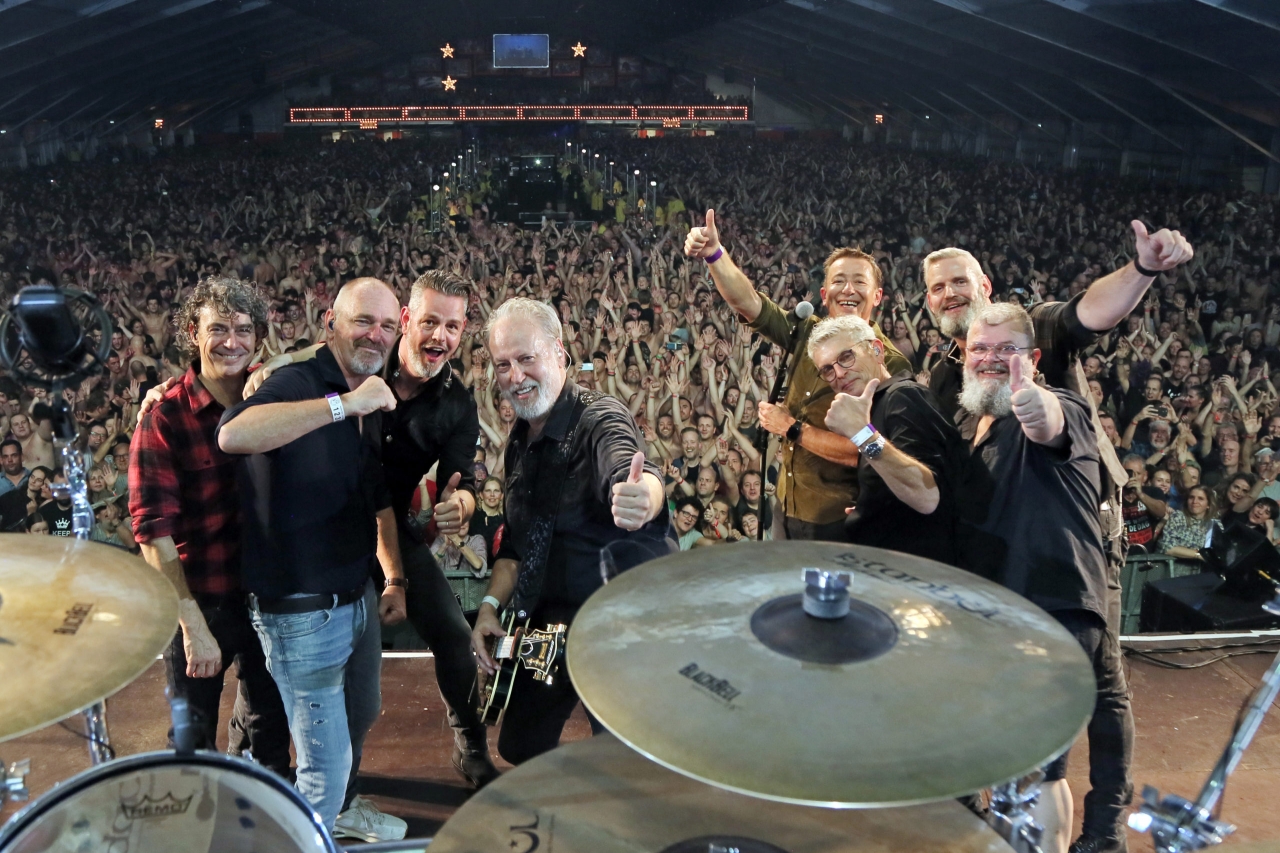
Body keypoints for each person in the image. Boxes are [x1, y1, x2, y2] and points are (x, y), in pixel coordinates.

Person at [246, 270, 499, 791]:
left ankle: (470, 742)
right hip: (316, 523)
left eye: (453, 326)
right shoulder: (362, 352)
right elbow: (297, 365)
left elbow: (464, 481)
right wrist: (259, 369)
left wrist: (461, 505)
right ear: (405, 320)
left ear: (464, 329)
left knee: (452, 634)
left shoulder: (456, 402)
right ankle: (248, 747)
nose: (440, 337)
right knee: (283, 641)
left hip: (386, 526)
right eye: (430, 321)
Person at [215, 277, 409, 839]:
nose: (376, 335)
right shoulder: (295, 379)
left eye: (387, 327)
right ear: (331, 321)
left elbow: (375, 499)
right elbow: (235, 434)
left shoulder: (370, 390)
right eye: (363, 321)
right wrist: (342, 404)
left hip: (355, 600)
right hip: (301, 612)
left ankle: (331, 818)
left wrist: (391, 577)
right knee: (323, 770)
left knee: (360, 713)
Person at [954, 303, 1131, 853]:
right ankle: (1102, 840)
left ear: (1032, 358)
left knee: (1037, 770)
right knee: (1029, 760)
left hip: (1052, 609)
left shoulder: (1066, 407)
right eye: (980, 348)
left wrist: (1033, 402)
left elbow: (1047, 422)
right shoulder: (975, 425)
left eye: (1006, 350)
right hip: (1012, 608)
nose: (990, 359)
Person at [470, 298, 674, 766]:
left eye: (527, 359)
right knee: (519, 746)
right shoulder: (520, 440)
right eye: (503, 365)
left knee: (635, 760)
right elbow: (518, 545)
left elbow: (631, 468)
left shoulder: (600, 419)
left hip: (617, 619)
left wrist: (644, 495)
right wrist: (489, 607)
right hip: (553, 622)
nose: (515, 376)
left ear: (560, 354)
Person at [128, 277, 293, 783]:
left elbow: (327, 354)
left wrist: (281, 365)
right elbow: (152, 532)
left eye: (243, 330)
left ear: (259, 339)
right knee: (190, 746)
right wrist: (192, 625)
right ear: (192, 335)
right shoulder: (164, 415)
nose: (231, 341)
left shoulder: (273, 399)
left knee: (271, 740)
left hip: (267, 598)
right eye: (217, 328)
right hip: (201, 600)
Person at [684, 209, 911, 540]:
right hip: (786, 506)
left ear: (877, 296)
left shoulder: (889, 364)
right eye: (838, 281)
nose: (848, 289)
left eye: (860, 282)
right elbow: (748, 303)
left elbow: (872, 450)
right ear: (824, 295)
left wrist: (790, 428)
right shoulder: (806, 333)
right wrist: (715, 255)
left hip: (838, 520)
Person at [1158, 486, 1215, 576]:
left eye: (1200, 499)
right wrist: (1198, 554)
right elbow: (1167, 547)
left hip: (1202, 577)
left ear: (1208, 505)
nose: (1194, 502)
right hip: (1174, 574)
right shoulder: (1178, 517)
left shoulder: (1214, 525)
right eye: (1191, 497)